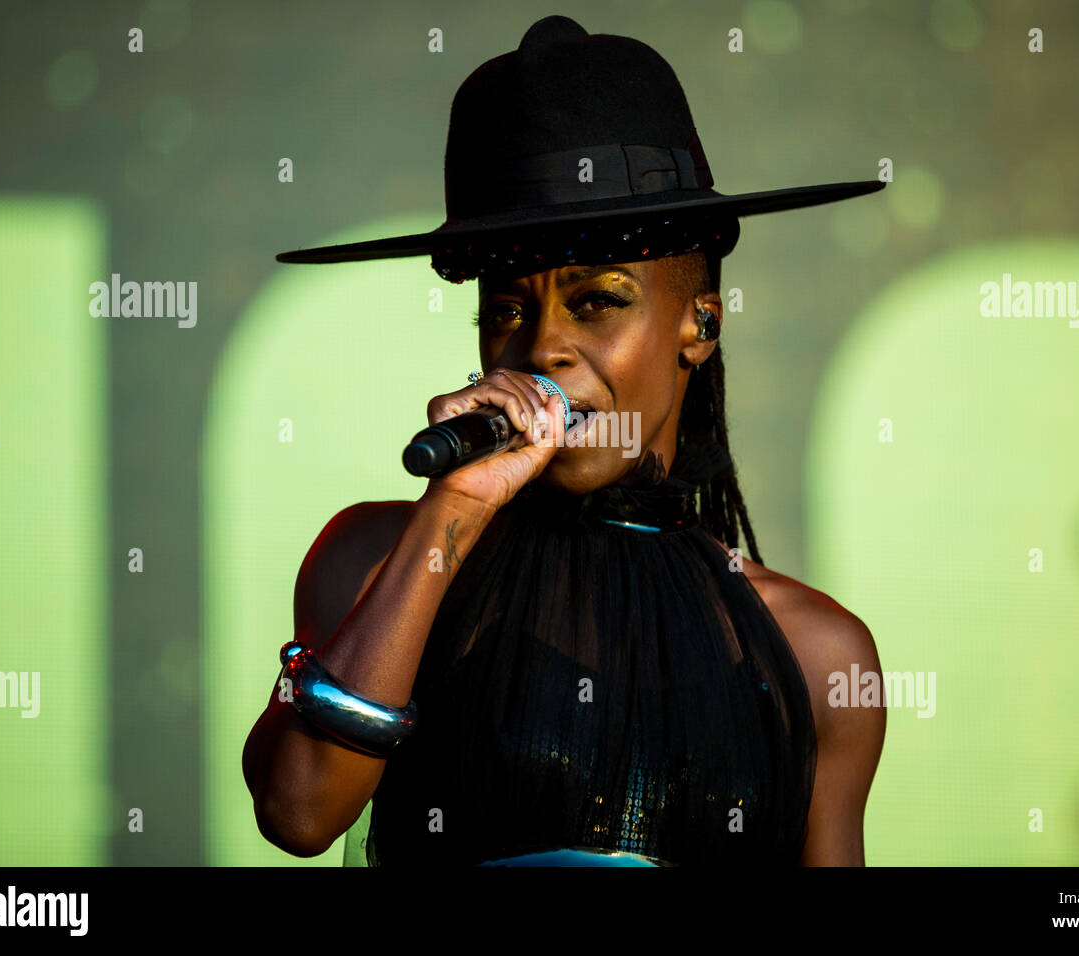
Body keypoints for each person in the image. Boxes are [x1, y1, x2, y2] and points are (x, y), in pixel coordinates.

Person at [244, 15, 886, 866]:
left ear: (700, 324)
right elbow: (299, 812)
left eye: (597, 301)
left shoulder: (815, 652)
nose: (541, 346)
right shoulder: (378, 557)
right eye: (507, 308)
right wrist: (456, 506)